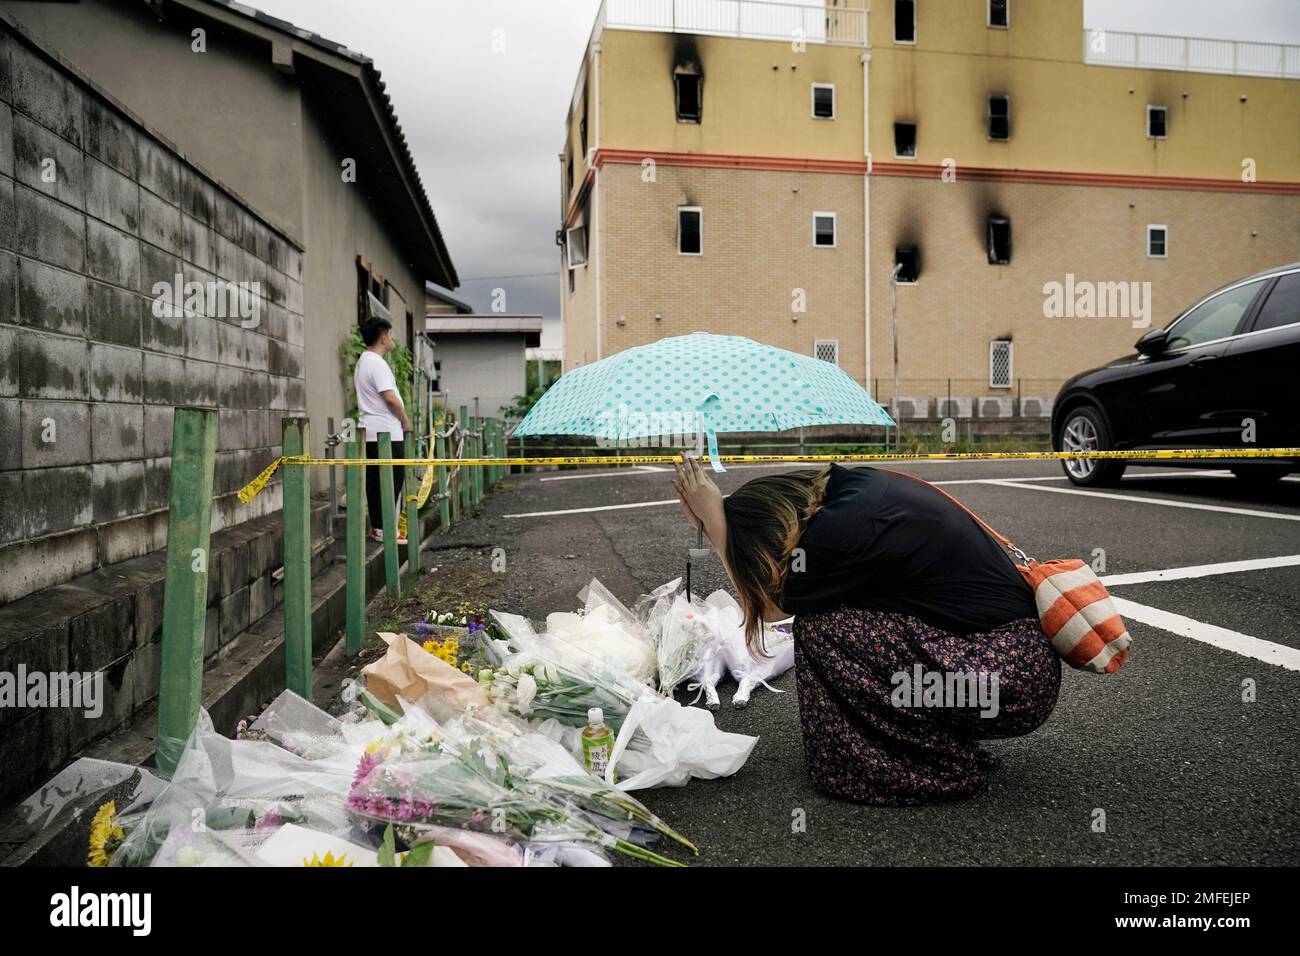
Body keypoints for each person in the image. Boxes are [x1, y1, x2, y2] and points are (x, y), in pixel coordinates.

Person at [672, 453, 1060, 805]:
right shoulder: (854, 492)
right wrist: (715, 518)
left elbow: (773, 609)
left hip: (1004, 683)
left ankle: (924, 768)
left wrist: (717, 524)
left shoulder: (832, 535)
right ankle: (927, 746)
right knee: (844, 619)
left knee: (822, 629)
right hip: (1014, 670)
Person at [354, 317, 411, 545]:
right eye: (391, 334)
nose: (392, 339)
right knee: (390, 481)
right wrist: (405, 420)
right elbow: (390, 398)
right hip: (386, 431)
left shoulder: (363, 361)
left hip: (371, 431)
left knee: (376, 481)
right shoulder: (377, 363)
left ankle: (380, 527)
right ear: (384, 337)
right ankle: (384, 529)